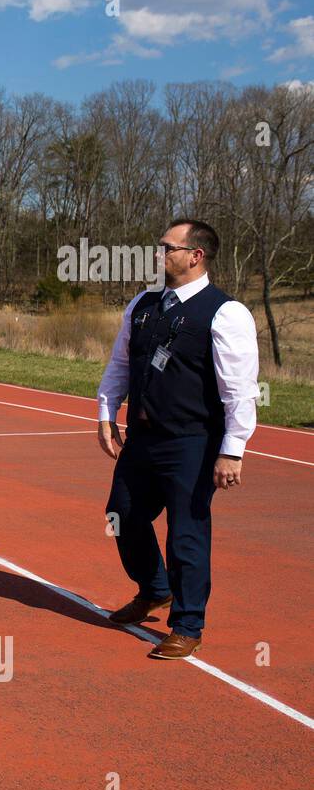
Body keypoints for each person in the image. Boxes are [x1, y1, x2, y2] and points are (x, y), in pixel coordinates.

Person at [96, 220, 259, 659]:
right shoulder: (143, 305)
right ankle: (154, 589)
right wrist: (107, 413)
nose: (156, 254)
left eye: (166, 247)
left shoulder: (226, 312)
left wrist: (233, 449)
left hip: (193, 441)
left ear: (195, 256)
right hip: (143, 437)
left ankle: (188, 625)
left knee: (185, 534)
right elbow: (119, 366)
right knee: (121, 515)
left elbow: (239, 389)